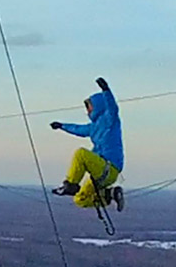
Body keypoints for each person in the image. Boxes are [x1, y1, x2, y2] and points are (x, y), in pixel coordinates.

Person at [49, 77, 124, 211]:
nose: (88, 111)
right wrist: (61, 126)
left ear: (97, 105)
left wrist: (106, 90)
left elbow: (113, 107)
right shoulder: (93, 127)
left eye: (89, 107)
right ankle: (109, 195)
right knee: (80, 199)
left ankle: (71, 184)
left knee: (81, 154)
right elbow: (78, 129)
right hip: (100, 173)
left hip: (109, 168)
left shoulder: (110, 119)